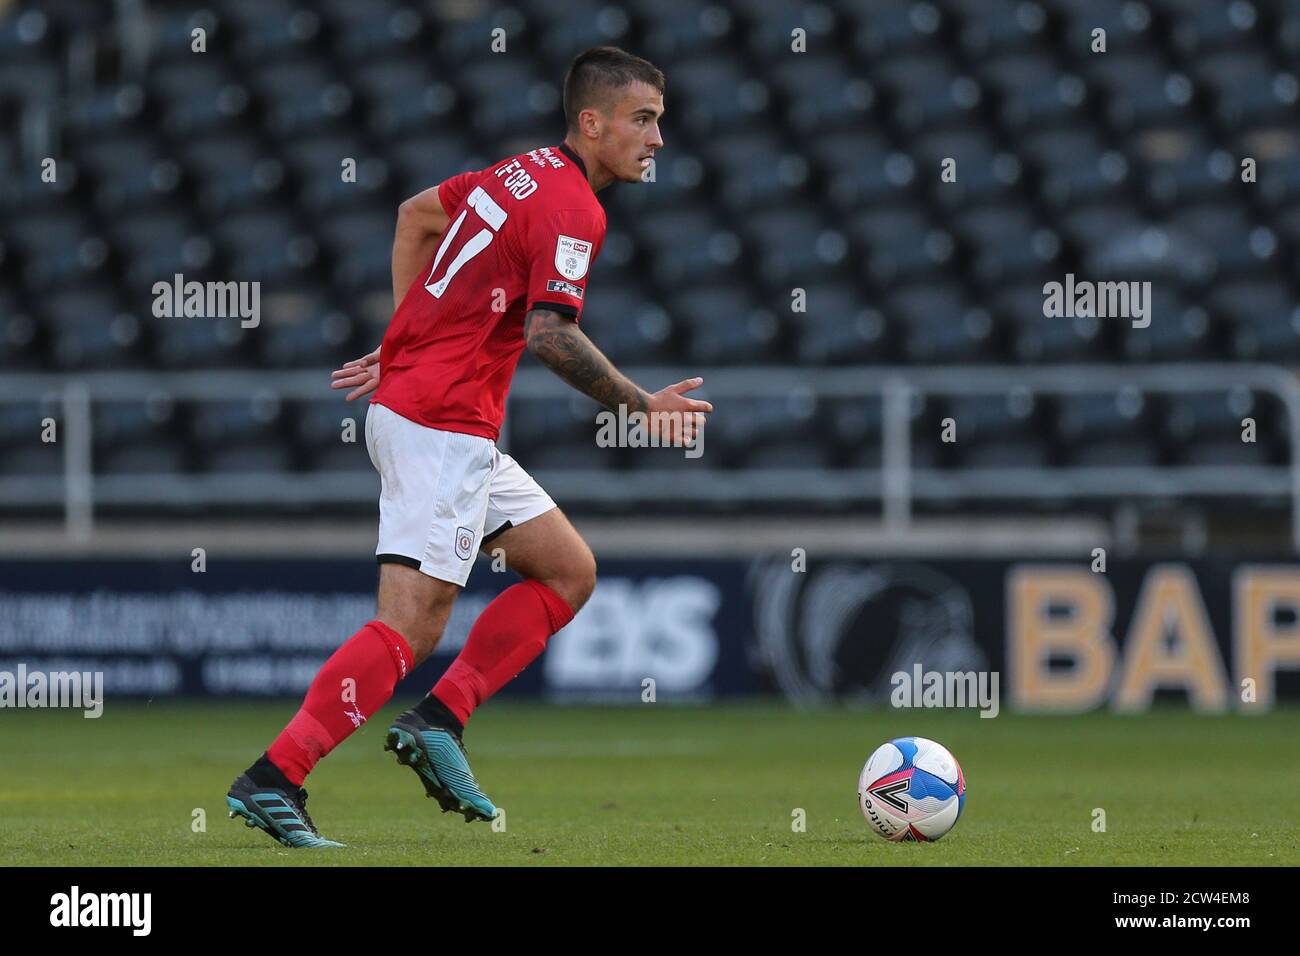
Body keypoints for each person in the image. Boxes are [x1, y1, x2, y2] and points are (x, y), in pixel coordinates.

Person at [225, 46, 710, 847]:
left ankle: (440, 722)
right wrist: (640, 402)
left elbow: (415, 216)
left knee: (568, 571)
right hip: (437, 425)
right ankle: (276, 776)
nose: (658, 138)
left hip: (444, 415)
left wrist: (411, 334)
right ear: (592, 123)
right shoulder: (575, 209)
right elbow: (551, 336)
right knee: (409, 629)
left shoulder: (518, 172)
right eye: (644, 119)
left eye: (659, 120)